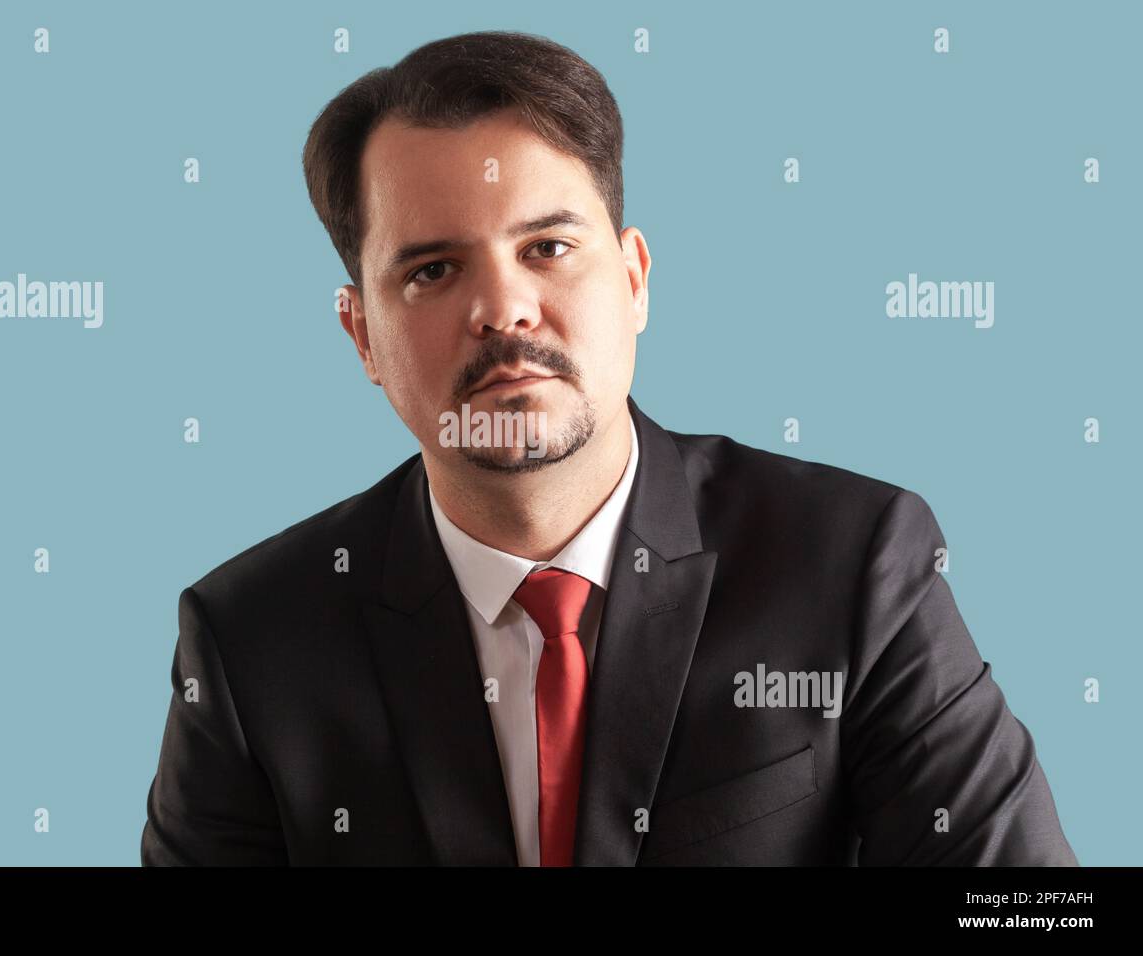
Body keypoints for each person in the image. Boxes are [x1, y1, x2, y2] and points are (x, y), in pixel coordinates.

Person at [140, 30, 1077, 866]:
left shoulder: (853, 564)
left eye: (547, 248)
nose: (503, 309)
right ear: (363, 339)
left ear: (633, 280)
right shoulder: (251, 642)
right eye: (433, 269)